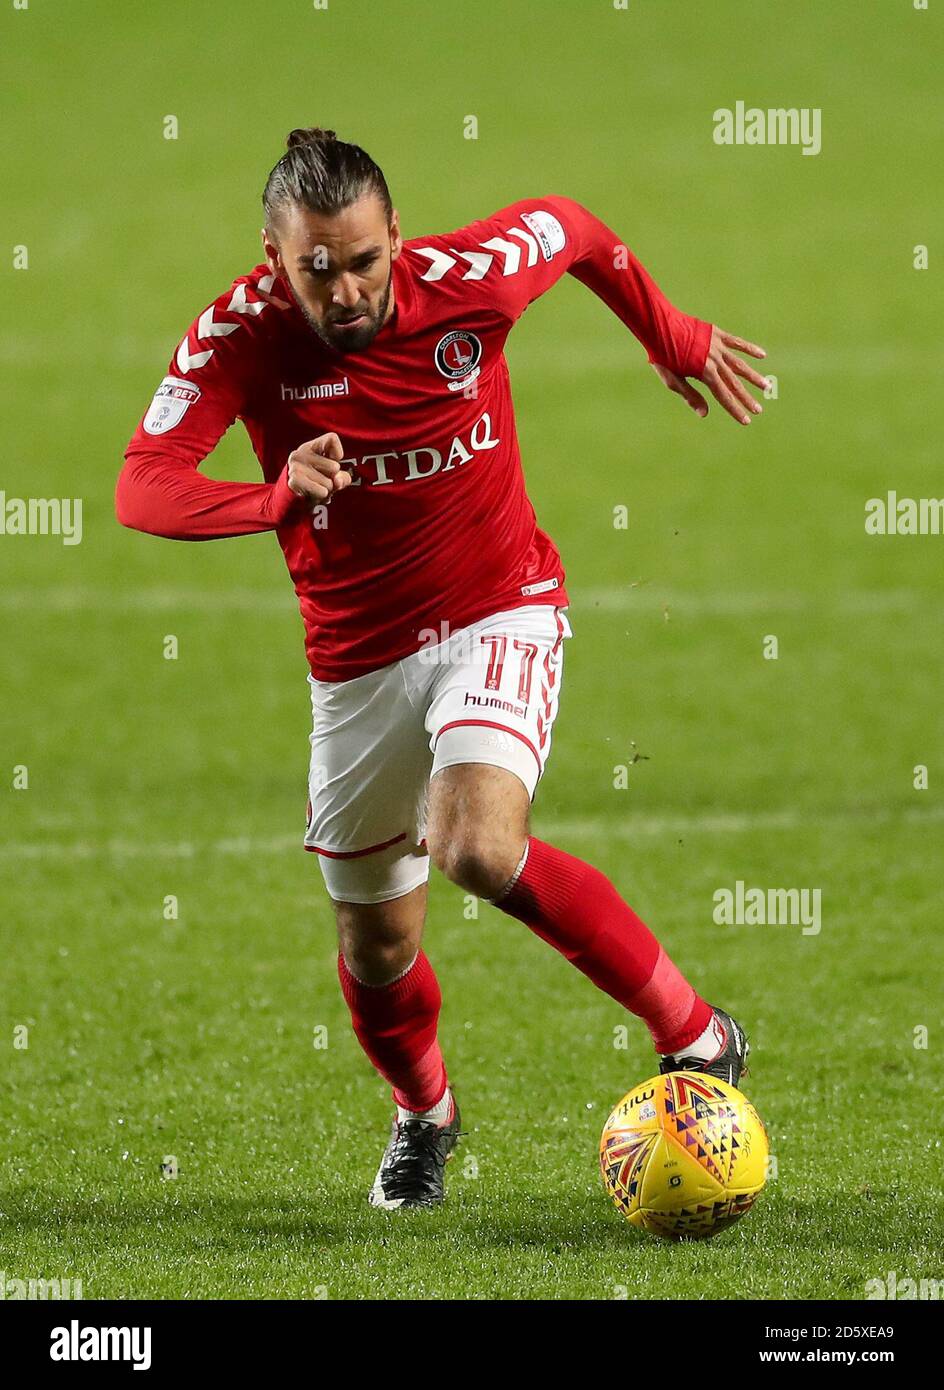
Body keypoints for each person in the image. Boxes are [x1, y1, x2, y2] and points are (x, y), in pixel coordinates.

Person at [118, 128, 768, 1210]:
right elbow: (144, 484)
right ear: (273, 259)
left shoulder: (471, 282)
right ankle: (425, 1112)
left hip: (496, 604)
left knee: (473, 845)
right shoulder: (240, 331)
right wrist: (271, 500)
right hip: (357, 655)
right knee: (377, 946)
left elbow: (575, 225)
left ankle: (696, 1033)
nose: (344, 287)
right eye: (315, 267)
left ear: (395, 238)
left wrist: (671, 334)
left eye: (363, 258)